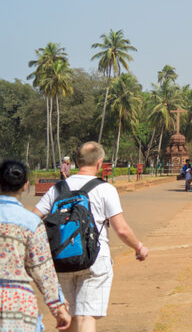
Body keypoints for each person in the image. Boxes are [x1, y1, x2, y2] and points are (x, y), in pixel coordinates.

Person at [34, 142, 149, 331]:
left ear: (76, 162)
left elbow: (33, 219)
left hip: (62, 258)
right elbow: (121, 230)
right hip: (94, 258)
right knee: (86, 317)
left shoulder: (58, 188)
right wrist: (138, 247)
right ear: (99, 163)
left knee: (69, 317)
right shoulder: (105, 189)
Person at [1, 159, 72, 332]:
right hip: (17, 306)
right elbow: (43, 269)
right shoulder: (31, 222)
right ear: (25, 185)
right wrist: (58, 307)